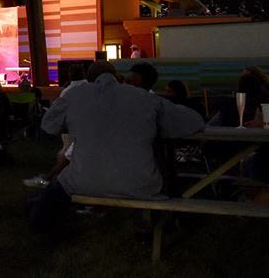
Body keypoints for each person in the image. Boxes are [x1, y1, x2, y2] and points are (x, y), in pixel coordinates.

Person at [29, 61, 204, 229]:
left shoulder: (75, 95)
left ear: (89, 79)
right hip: (140, 183)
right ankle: (155, 226)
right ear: (116, 76)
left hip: (82, 180)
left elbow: (48, 125)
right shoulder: (145, 98)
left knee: (51, 195)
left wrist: (74, 123)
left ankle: (37, 216)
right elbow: (193, 121)